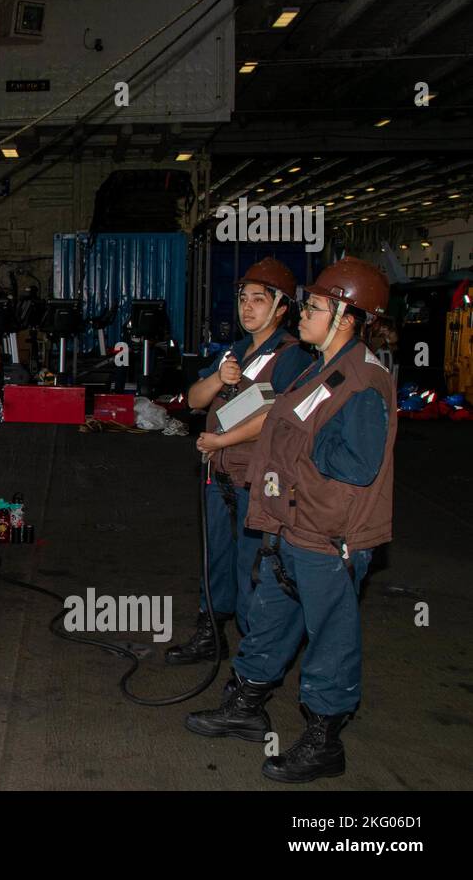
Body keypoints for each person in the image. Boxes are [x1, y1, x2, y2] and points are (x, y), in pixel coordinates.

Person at [185, 257, 395, 784]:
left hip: (331, 536)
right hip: (290, 526)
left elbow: (358, 462)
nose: (304, 314)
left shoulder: (363, 381)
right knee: (272, 619)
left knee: (331, 637)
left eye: (315, 307)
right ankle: (245, 705)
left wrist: (302, 450)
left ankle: (325, 739)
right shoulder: (319, 366)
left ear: (345, 315)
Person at [169, 259, 312, 664]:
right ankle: (211, 631)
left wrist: (222, 439)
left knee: (255, 566)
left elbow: (279, 414)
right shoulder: (233, 353)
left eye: (259, 300)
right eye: (243, 299)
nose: (247, 308)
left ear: (282, 308)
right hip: (220, 477)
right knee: (216, 557)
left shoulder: (291, 357)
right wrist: (219, 378)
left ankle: (254, 656)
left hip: (257, 481)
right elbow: (194, 399)